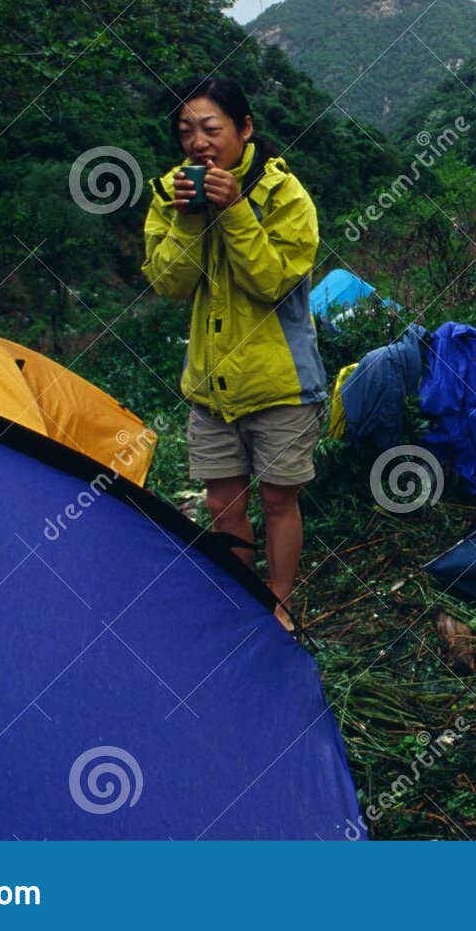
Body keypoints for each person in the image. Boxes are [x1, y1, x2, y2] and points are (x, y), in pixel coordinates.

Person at [141, 77, 326, 623]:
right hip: (211, 384)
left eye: (210, 128)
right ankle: (248, 600)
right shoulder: (171, 194)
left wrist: (235, 209)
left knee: (277, 501)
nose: (197, 142)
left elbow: (272, 282)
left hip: (281, 382)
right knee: (223, 505)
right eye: (185, 131)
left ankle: (281, 602)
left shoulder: (283, 194)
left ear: (245, 129)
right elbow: (169, 283)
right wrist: (191, 217)